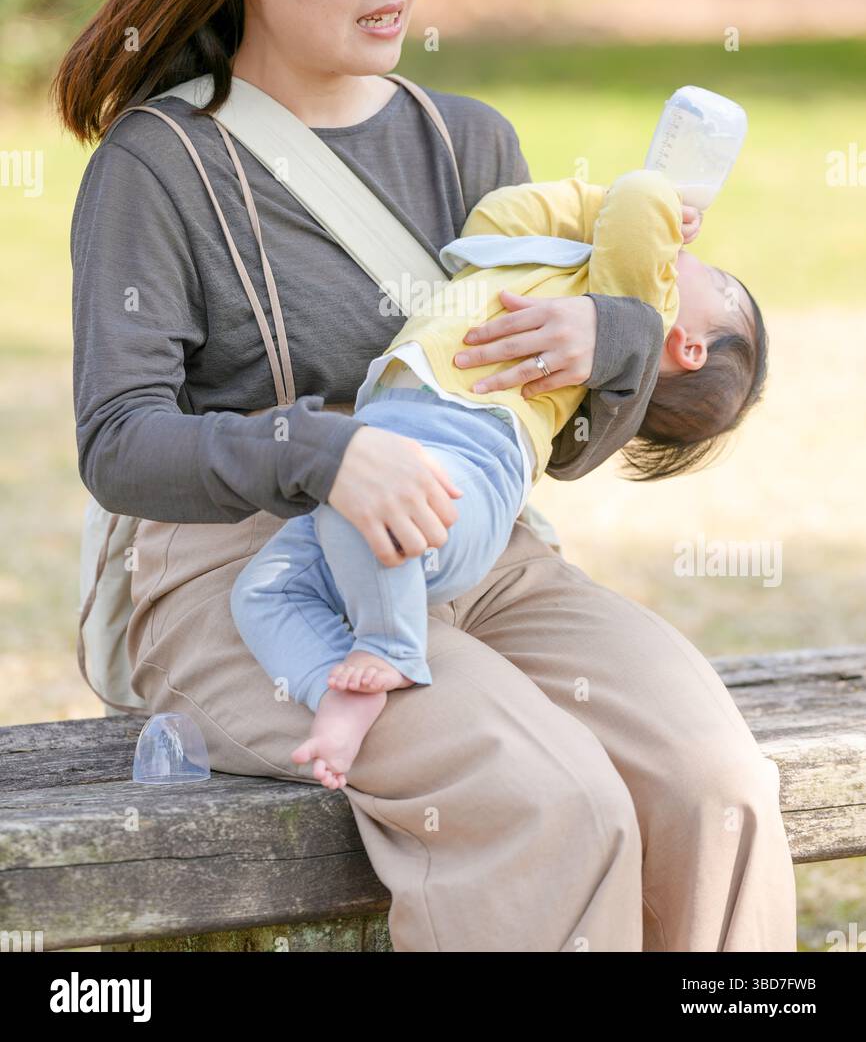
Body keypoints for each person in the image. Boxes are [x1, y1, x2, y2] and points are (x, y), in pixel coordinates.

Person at [56, 0, 797, 951]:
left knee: (715, 783)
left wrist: (606, 332)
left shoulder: (467, 141)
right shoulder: (158, 169)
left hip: (472, 544)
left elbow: (546, 449)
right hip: (258, 584)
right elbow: (119, 443)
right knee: (548, 802)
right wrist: (332, 457)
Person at [230, 167, 767, 789]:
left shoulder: (639, 304)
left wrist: (669, 206)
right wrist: (593, 210)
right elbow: (500, 216)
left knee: (360, 499)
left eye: (721, 282)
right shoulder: (553, 269)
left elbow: (641, 199)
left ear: (689, 347)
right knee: (265, 591)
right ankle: (333, 687)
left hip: (468, 458)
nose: (698, 259)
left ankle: (391, 647)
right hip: (388, 446)